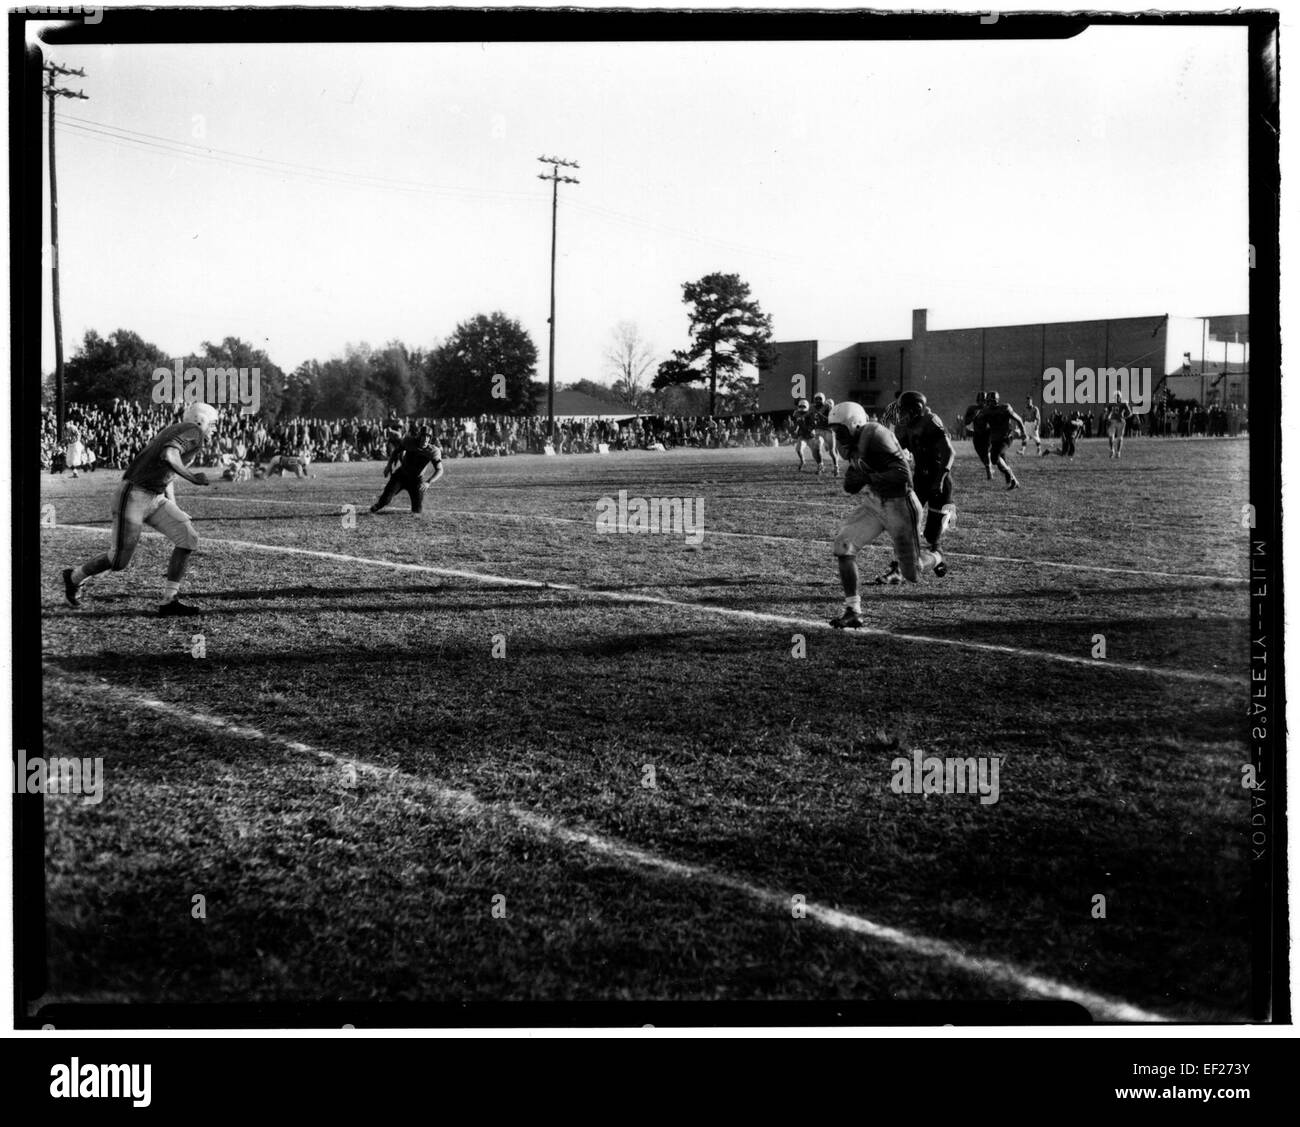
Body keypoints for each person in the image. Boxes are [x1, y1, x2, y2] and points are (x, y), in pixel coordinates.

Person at [62, 402, 216, 617]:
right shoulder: (194, 430)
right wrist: (193, 478)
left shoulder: (177, 428)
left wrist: (174, 504)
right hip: (135, 496)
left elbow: (166, 471)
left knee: (187, 536)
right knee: (118, 561)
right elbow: (169, 456)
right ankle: (74, 577)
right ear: (201, 420)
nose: (215, 428)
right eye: (214, 423)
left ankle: (168, 601)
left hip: (154, 496)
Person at [823, 401, 935, 629]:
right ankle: (853, 610)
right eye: (834, 431)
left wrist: (867, 478)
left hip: (900, 504)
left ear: (854, 424)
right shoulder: (851, 445)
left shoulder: (875, 434)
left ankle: (937, 555)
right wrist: (854, 480)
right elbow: (853, 479)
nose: (838, 436)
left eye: (840, 430)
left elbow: (903, 476)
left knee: (911, 573)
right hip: (874, 503)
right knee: (843, 545)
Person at [880, 390, 954, 584]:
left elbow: (950, 452)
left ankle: (937, 557)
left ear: (916, 409)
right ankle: (897, 568)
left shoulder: (930, 421)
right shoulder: (906, 426)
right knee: (905, 522)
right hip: (919, 479)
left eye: (904, 410)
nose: (901, 415)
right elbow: (896, 450)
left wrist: (939, 479)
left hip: (939, 481)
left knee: (931, 536)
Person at [370, 425, 444, 515]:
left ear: (430, 439)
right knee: (385, 500)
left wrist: (428, 482)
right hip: (401, 475)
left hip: (416, 480)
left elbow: (440, 470)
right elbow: (396, 452)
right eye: (423, 436)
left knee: (417, 510)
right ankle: (374, 508)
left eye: (428, 437)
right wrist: (389, 465)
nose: (425, 439)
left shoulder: (433, 451)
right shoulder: (409, 441)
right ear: (419, 436)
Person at [980, 391, 1026, 490]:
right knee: (1001, 463)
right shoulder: (986, 411)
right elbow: (981, 423)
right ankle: (1014, 481)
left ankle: (1011, 477)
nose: (988, 403)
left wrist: (1023, 432)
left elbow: (1019, 419)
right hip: (995, 439)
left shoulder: (1005, 409)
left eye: (990, 401)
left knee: (994, 457)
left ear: (996, 401)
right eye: (987, 401)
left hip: (1006, 438)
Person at [810, 392, 840, 477]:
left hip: (828, 430)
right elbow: (813, 420)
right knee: (816, 446)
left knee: (832, 451)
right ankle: (820, 465)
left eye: (820, 398)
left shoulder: (828, 407)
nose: (818, 400)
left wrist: (821, 415)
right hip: (819, 430)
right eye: (816, 399)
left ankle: (836, 467)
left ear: (823, 399)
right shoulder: (813, 408)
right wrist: (812, 428)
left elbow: (831, 419)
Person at [790, 398, 824, 473]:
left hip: (811, 436)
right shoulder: (797, 414)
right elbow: (797, 424)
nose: (802, 408)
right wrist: (796, 429)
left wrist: (804, 425)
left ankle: (820, 465)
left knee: (815, 453)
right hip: (802, 436)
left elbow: (812, 426)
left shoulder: (811, 415)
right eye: (800, 406)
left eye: (803, 406)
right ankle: (802, 461)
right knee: (798, 449)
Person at [1104, 393, 1133, 459]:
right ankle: (1112, 450)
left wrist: (1124, 418)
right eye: (1115, 397)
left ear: (1120, 397)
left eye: (1118, 396)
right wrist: (1108, 418)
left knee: (1119, 438)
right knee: (1111, 436)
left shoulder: (1123, 403)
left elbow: (1130, 413)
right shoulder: (1111, 404)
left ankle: (1118, 452)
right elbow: (1108, 413)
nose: (1116, 398)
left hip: (1120, 422)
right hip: (1112, 421)